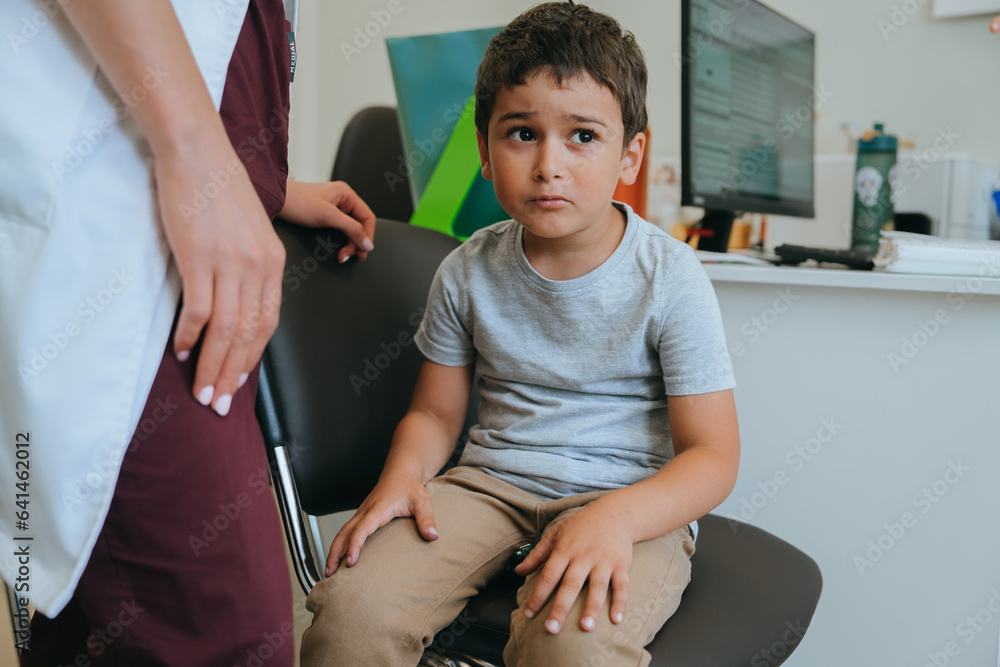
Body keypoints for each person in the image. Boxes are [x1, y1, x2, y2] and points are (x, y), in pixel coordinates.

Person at [300, 3, 740, 665]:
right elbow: (432, 412)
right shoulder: (466, 270)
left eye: (583, 136)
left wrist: (615, 518)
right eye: (522, 134)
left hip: (624, 500)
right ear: (483, 150)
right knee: (351, 616)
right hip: (488, 487)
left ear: (631, 155)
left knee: (570, 647)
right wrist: (403, 476)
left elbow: (712, 455)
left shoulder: (671, 276)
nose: (549, 165)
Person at [0, 0, 373, 663]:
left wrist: (257, 181)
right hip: (131, 249)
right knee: (226, 632)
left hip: (177, 208)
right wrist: (201, 161)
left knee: (103, 623)